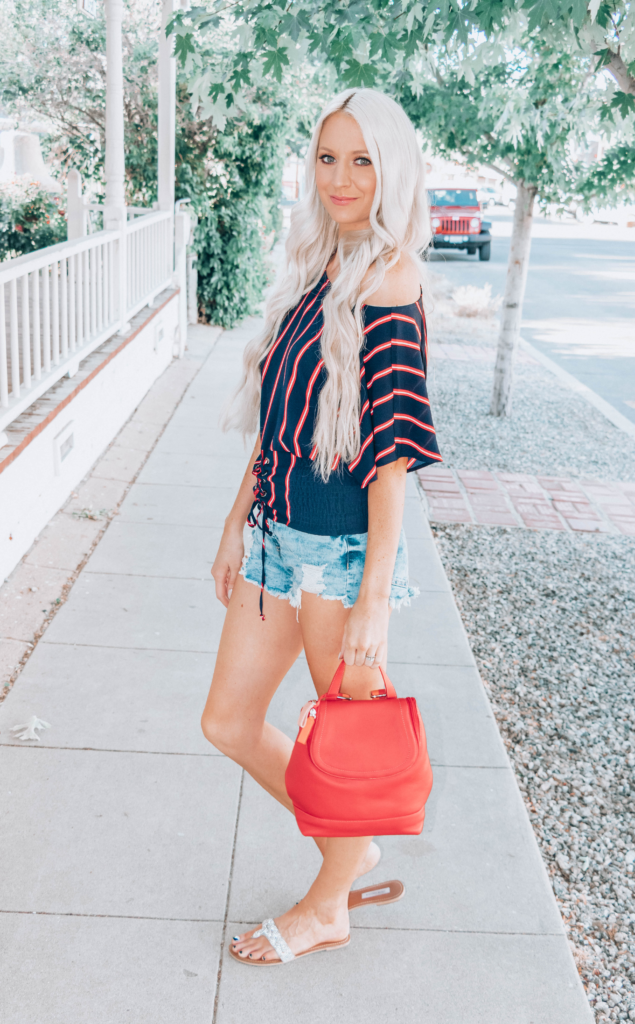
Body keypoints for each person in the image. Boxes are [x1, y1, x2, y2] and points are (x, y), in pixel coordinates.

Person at [201, 87, 442, 966]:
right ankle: (349, 850)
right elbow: (280, 422)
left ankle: (327, 901)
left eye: (361, 159)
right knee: (227, 721)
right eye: (328, 157)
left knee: (349, 753)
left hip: (337, 559)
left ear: (392, 170)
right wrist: (236, 522)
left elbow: (393, 453)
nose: (340, 177)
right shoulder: (318, 263)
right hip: (273, 536)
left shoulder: (391, 275)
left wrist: (373, 597)